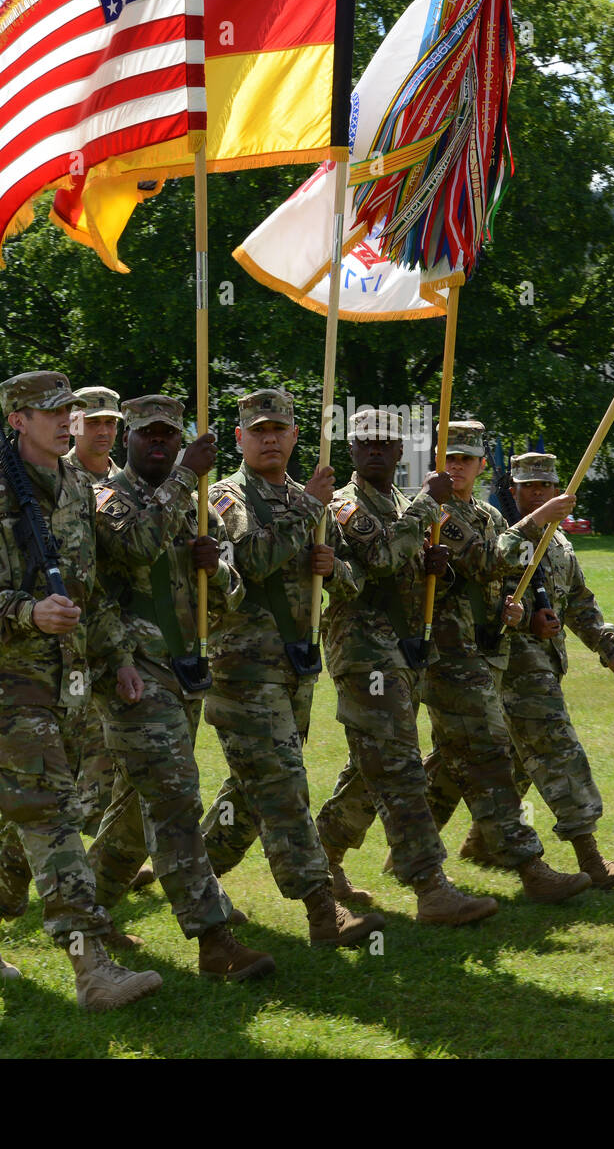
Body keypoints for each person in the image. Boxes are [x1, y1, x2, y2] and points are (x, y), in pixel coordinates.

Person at [0, 370, 163, 1012]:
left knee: (36, 816)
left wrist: (118, 658)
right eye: (51, 412)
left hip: (72, 684)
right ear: (17, 420)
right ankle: (91, 968)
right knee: (50, 821)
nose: (66, 420)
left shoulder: (74, 484)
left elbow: (87, 589)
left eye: (69, 409)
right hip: (14, 688)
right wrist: (30, 614)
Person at [87, 395, 273, 980]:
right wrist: (189, 476)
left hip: (186, 671)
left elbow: (234, 594)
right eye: (149, 435)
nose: (160, 443)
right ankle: (213, 939)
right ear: (128, 441)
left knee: (134, 810)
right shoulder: (106, 498)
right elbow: (135, 543)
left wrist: (213, 564)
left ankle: (84, 914)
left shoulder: (197, 507)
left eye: (170, 433)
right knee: (174, 800)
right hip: (132, 674)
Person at [199, 388, 384, 947]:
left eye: (279, 429)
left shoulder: (307, 500)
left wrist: (332, 568)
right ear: (239, 439)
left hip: (296, 671)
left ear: (296, 435)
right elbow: (248, 559)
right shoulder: (224, 496)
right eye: (258, 430)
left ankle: (193, 875)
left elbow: (349, 582)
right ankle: (321, 911)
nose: (270, 438)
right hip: (243, 671)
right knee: (283, 786)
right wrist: (310, 508)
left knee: (253, 793)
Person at [314, 408, 498, 926]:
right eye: (365, 442)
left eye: (385, 442)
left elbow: (408, 561)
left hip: (406, 650)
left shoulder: (402, 501)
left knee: (370, 769)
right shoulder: (345, 504)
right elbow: (380, 557)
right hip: (364, 655)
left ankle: (321, 854)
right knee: (399, 766)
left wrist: (430, 562)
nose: (376, 449)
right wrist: (426, 510)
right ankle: (431, 888)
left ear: (400, 452)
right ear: (351, 451)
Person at [414, 422, 592, 903]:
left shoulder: (488, 513)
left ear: (481, 465)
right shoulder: (435, 512)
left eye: (466, 459)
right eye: (449, 457)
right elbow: (483, 561)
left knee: (454, 763)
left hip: (486, 654)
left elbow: (497, 582)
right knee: (489, 757)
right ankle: (530, 869)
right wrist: (538, 520)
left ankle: (404, 853)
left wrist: (513, 612)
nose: (456, 466)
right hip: (446, 657)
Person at [479, 451, 614, 889]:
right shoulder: (500, 533)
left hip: (545, 667)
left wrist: (609, 652)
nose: (538, 494)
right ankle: (590, 857)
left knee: (507, 761)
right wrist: (524, 618)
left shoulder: (561, 544)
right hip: (511, 668)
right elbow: (481, 586)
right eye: (528, 487)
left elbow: (580, 604)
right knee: (557, 752)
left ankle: (477, 843)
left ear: (558, 490)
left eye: (546, 486)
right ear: (513, 491)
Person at [63, 385, 124, 834]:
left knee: (109, 753)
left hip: (119, 638)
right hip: (65, 639)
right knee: (64, 754)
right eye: (93, 421)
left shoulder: (126, 484)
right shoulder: (51, 479)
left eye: (111, 423)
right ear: (73, 424)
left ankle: (100, 854)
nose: (103, 430)